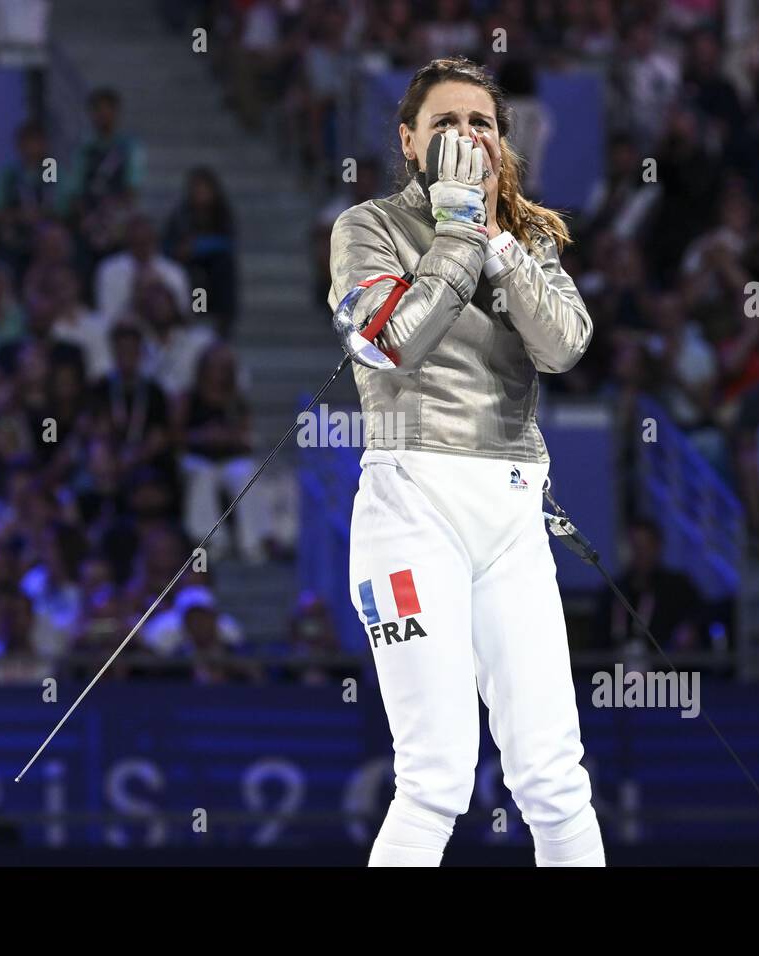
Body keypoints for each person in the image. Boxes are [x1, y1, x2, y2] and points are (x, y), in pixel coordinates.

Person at [327, 57, 602, 867]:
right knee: (437, 777)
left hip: (512, 509)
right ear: (408, 142)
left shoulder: (533, 235)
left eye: (480, 122)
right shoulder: (367, 228)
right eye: (444, 122)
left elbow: (564, 348)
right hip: (411, 505)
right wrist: (453, 233)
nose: (465, 135)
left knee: (553, 775)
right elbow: (391, 344)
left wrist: (500, 247)